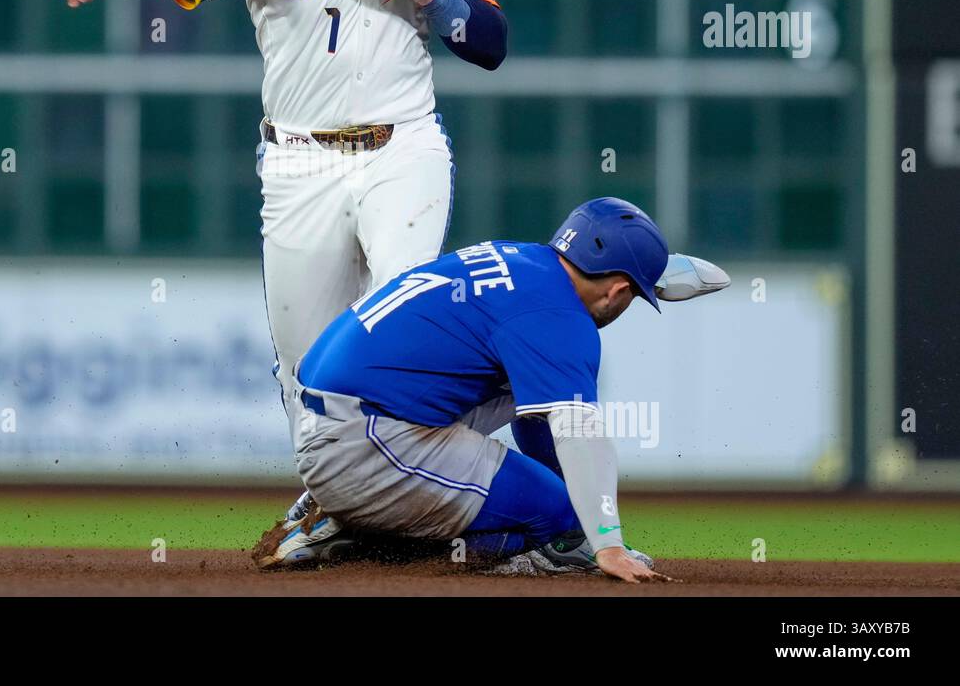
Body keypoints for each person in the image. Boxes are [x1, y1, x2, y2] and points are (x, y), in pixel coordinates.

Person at [45, 0, 507, 535]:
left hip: (404, 152)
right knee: (308, 373)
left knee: (405, 321)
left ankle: (434, 493)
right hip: (298, 161)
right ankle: (338, 506)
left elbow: (490, 42)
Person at [253, 197, 728, 582]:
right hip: (366, 443)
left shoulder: (523, 263)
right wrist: (607, 542)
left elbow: (535, 417)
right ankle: (360, 535)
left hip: (342, 416)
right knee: (556, 515)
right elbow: (582, 436)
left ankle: (336, 507)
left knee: (543, 452)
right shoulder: (560, 321)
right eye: (636, 295)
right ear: (618, 291)